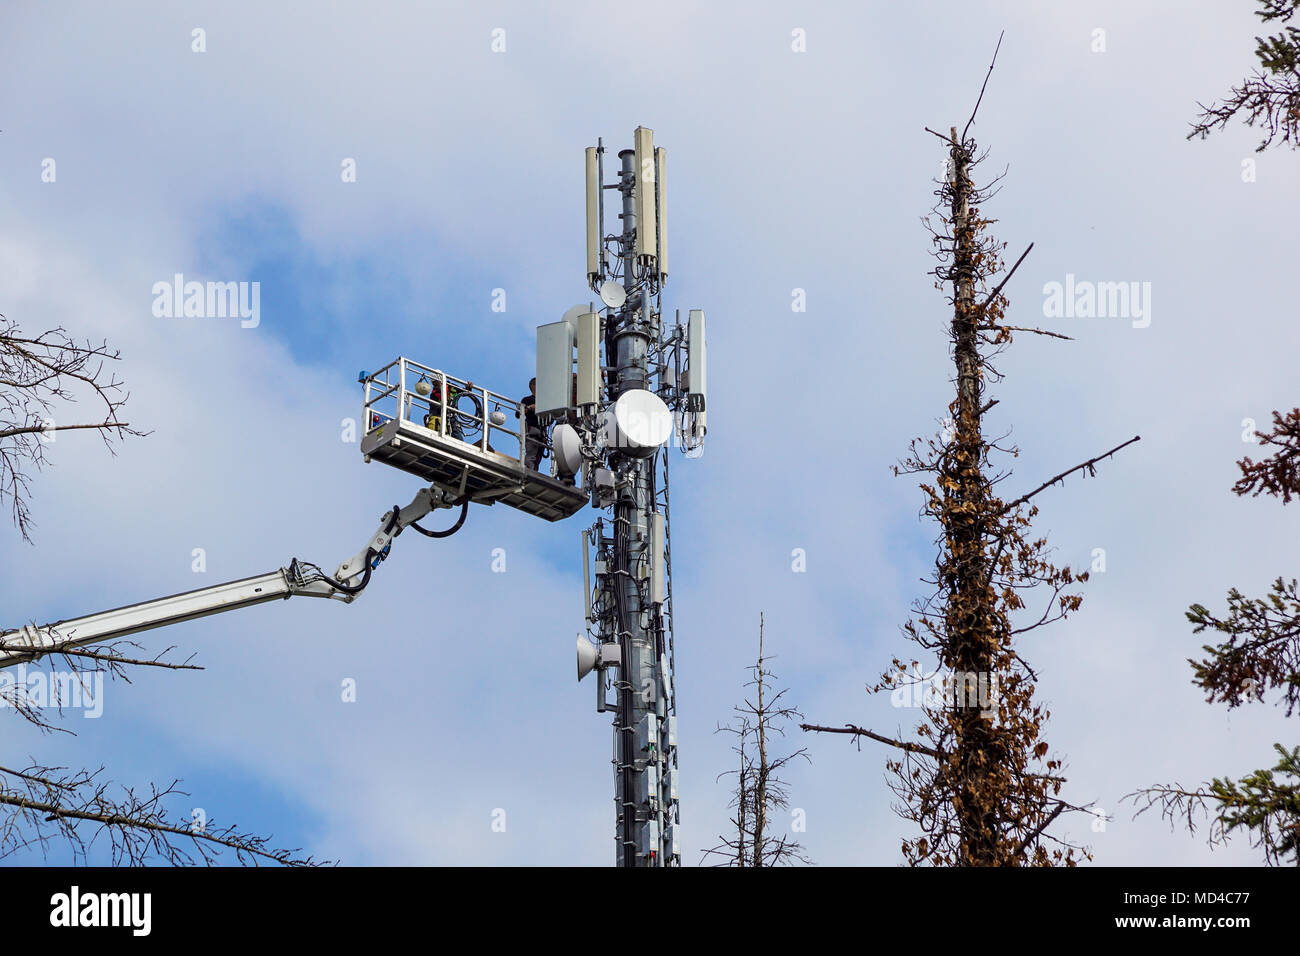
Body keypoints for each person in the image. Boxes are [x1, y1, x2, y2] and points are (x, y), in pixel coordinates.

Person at [518, 377, 545, 471]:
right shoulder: (527, 399)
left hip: (542, 433)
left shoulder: (544, 402)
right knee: (531, 455)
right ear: (533, 386)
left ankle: (533, 471)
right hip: (532, 429)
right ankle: (528, 471)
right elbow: (518, 413)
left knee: (537, 458)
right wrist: (529, 408)